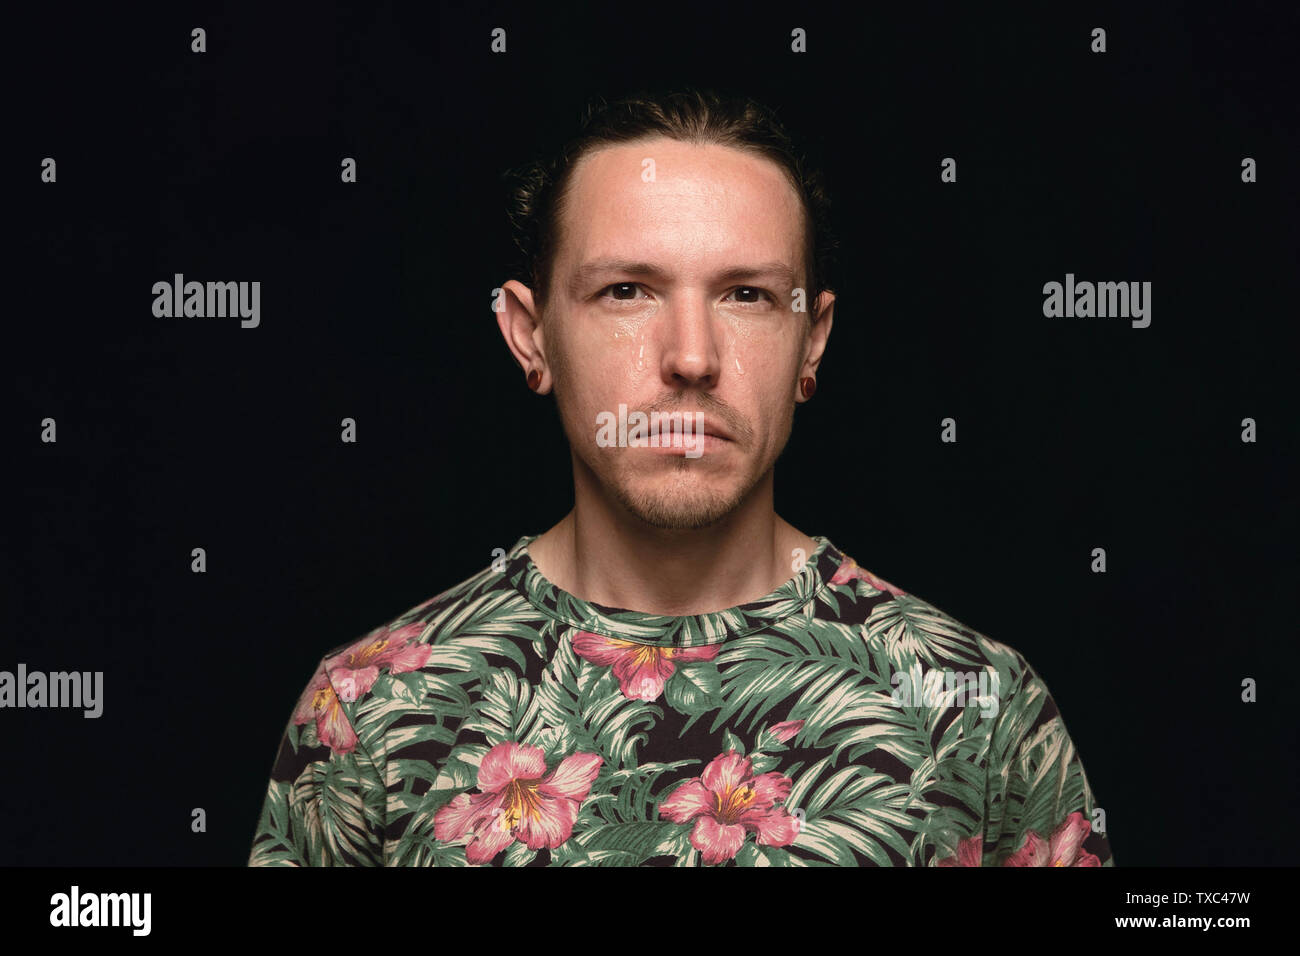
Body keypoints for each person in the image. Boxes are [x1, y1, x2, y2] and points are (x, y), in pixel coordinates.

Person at [248, 89, 1113, 867]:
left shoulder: (979, 708)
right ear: (529, 335)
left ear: (812, 340)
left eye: (747, 296)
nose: (692, 358)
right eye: (627, 291)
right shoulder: (372, 710)